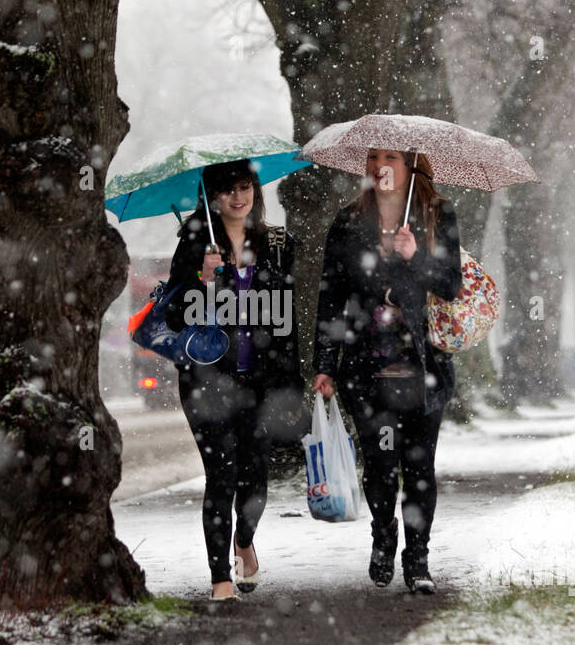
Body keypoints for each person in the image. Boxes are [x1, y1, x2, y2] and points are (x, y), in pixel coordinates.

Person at [312, 148, 461, 593]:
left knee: (419, 468)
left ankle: (418, 560)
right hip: (366, 369)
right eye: (374, 157)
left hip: (422, 366)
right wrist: (325, 363)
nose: (382, 166)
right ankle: (383, 535)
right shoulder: (348, 221)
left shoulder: (438, 213)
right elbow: (330, 296)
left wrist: (417, 256)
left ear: (410, 164)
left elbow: (451, 284)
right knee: (379, 467)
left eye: (391, 158)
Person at [165, 159, 303, 602]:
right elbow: (172, 314)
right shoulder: (194, 240)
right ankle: (219, 576)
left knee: (257, 480)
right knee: (221, 476)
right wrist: (201, 282)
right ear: (212, 197)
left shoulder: (277, 243)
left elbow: (286, 322)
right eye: (228, 190)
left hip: (260, 381)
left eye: (245, 188)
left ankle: (244, 539)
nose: (238, 198)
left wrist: (292, 385)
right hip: (208, 382)